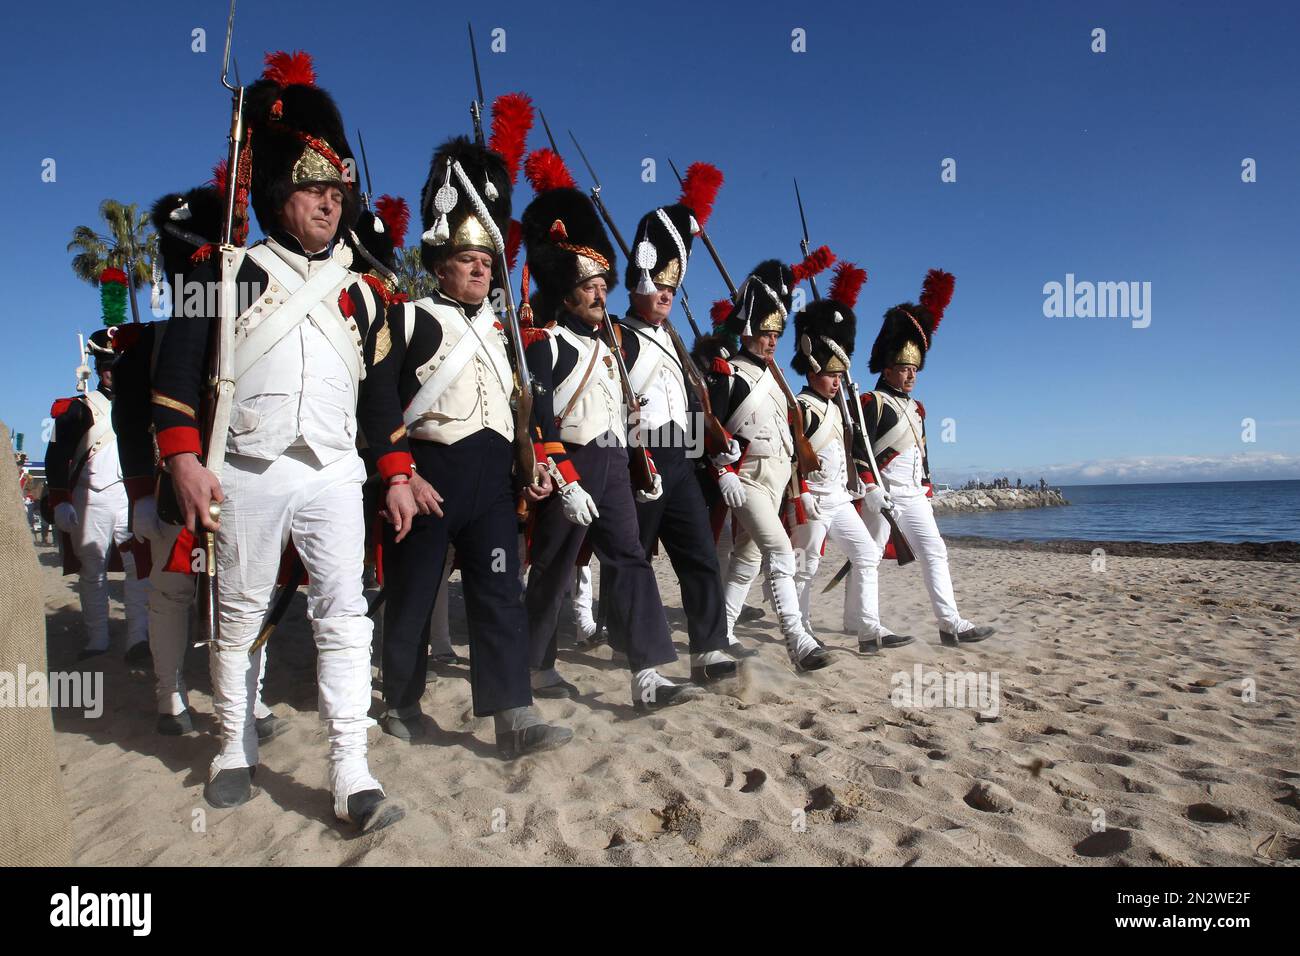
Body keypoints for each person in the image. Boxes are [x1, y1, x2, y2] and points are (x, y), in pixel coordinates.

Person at [150, 51, 400, 830]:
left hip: (332, 470)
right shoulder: (219, 271)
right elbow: (174, 372)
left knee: (344, 614)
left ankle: (352, 771)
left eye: (337, 190)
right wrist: (184, 460)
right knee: (238, 611)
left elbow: (382, 397)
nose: (329, 203)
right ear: (277, 192)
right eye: (313, 188)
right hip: (246, 468)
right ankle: (232, 748)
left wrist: (393, 471)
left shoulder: (366, 293)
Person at [359, 133, 571, 756]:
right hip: (429, 470)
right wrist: (399, 472)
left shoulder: (509, 335)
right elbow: (375, 399)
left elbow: (525, 408)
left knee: (499, 593)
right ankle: (400, 699)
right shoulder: (408, 317)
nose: (481, 267)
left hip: (491, 478)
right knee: (413, 595)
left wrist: (531, 466)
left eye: (487, 258)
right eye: (466, 256)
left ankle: (513, 714)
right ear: (438, 260)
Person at [519, 151, 701, 710]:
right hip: (570, 466)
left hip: (614, 466)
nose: (602, 293)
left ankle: (647, 674)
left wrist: (640, 458)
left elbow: (624, 412)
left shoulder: (613, 347)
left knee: (629, 558)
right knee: (550, 570)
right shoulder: (546, 343)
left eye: (603, 283)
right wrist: (566, 480)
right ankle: (533, 664)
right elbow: (542, 417)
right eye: (590, 285)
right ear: (566, 289)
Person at [605, 169, 737, 685]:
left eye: (672, 285)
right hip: (639, 453)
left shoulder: (675, 339)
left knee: (699, 554)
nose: (665, 293)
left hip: (679, 453)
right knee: (630, 556)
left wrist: (712, 451)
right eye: (658, 283)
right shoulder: (617, 336)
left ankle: (708, 648)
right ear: (639, 282)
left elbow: (690, 400)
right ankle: (627, 639)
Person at [700, 254, 835, 672]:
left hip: (776, 483)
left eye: (776, 333)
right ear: (747, 330)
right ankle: (796, 639)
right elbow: (706, 428)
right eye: (764, 332)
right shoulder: (727, 374)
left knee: (747, 559)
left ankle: (720, 632)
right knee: (779, 551)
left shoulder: (779, 383)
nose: (772, 340)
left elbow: (791, 444)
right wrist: (722, 472)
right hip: (747, 482)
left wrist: (802, 491)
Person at [859, 269, 995, 647]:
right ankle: (867, 629)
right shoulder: (871, 402)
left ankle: (949, 623)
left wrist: (927, 483)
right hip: (882, 495)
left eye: (915, 369)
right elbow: (858, 449)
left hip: (914, 497)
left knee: (936, 551)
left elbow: (922, 450)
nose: (911, 375)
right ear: (887, 368)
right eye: (905, 368)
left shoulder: (917, 407)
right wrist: (870, 486)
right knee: (867, 559)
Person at [787, 263, 917, 652]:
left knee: (865, 553)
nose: (836, 381)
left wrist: (865, 485)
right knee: (804, 567)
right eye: (831, 375)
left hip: (840, 498)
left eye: (840, 376)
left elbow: (854, 449)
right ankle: (802, 627)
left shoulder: (840, 408)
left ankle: (868, 627)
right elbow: (793, 456)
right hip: (813, 498)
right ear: (813, 372)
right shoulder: (802, 406)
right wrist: (801, 493)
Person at [46, 329, 151, 663]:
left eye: (118, 364)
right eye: (107, 365)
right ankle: (98, 636)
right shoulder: (77, 408)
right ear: (99, 367)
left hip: (128, 498)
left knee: (138, 568)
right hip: (88, 498)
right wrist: (60, 499)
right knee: (93, 571)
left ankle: (138, 637)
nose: (112, 371)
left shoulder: (140, 406)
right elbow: (55, 455)